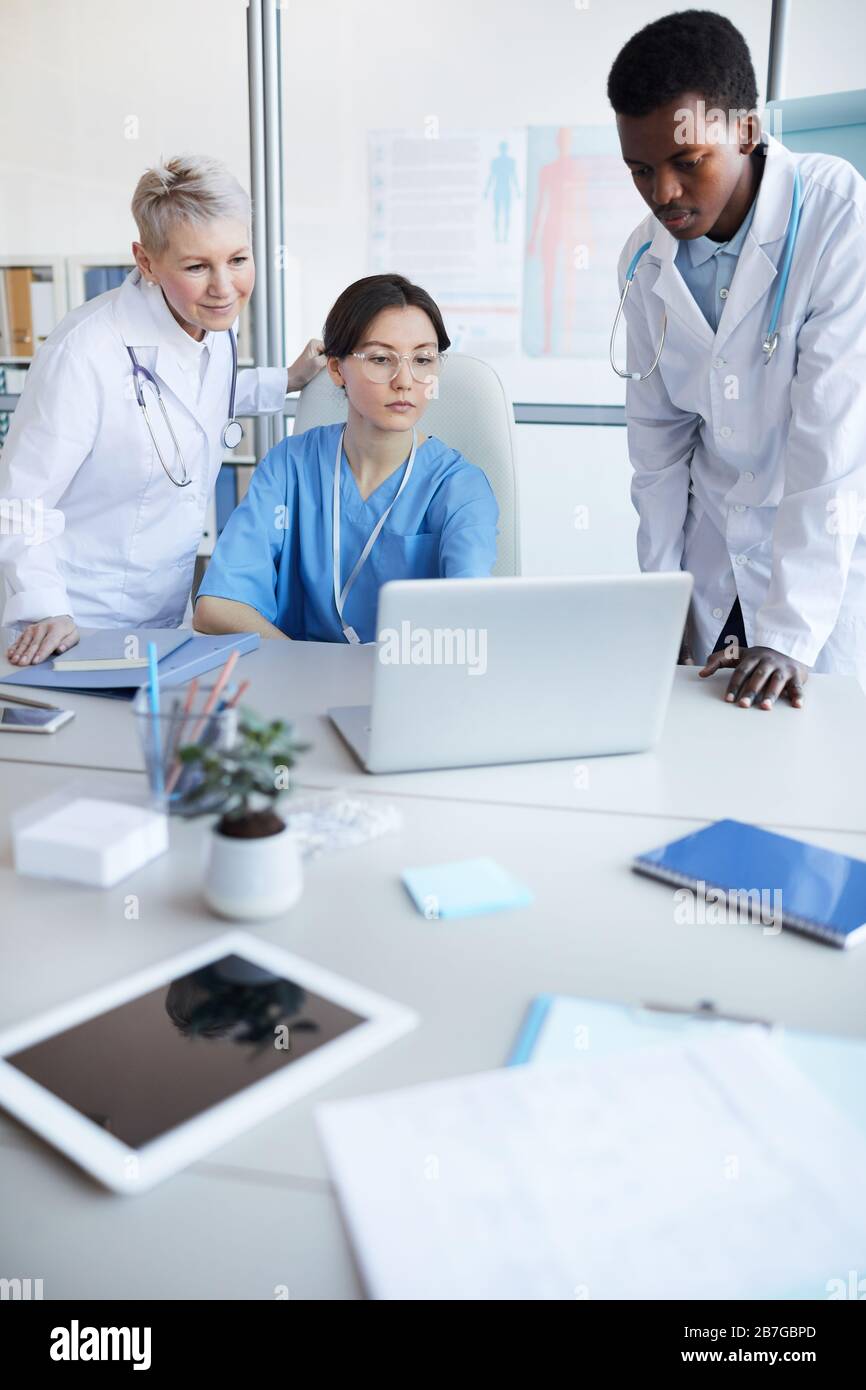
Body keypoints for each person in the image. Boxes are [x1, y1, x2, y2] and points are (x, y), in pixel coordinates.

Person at [607, 10, 866, 708]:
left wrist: (790, 629)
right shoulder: (641, 258)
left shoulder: (836, 213)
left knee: (815, 775)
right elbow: (657, 452)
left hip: (824, 571)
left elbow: (831, 441)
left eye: (687, 163)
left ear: (747, 131)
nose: (663, 193)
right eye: (640, 170)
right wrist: (659, 606)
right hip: (713, 561)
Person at [1, 155, 325, 667]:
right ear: (146, 261)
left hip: (168, 618)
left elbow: (193, 394)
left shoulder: (209, 324)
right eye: (197, 266)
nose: (224, 287)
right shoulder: (85, 352)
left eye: (238, 260)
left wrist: (284, 381)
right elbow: (20, 502)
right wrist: (45, 608)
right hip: (75, 624)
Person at [193, 273, 499, 643]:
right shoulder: (289, 467)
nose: (405, 380)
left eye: (422, 359)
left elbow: (472, 613)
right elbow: (217, 607)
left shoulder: (459, 487)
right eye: (381, 358)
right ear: (337, 370)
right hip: (293, 690)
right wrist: (308, 671)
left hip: (408, 687)